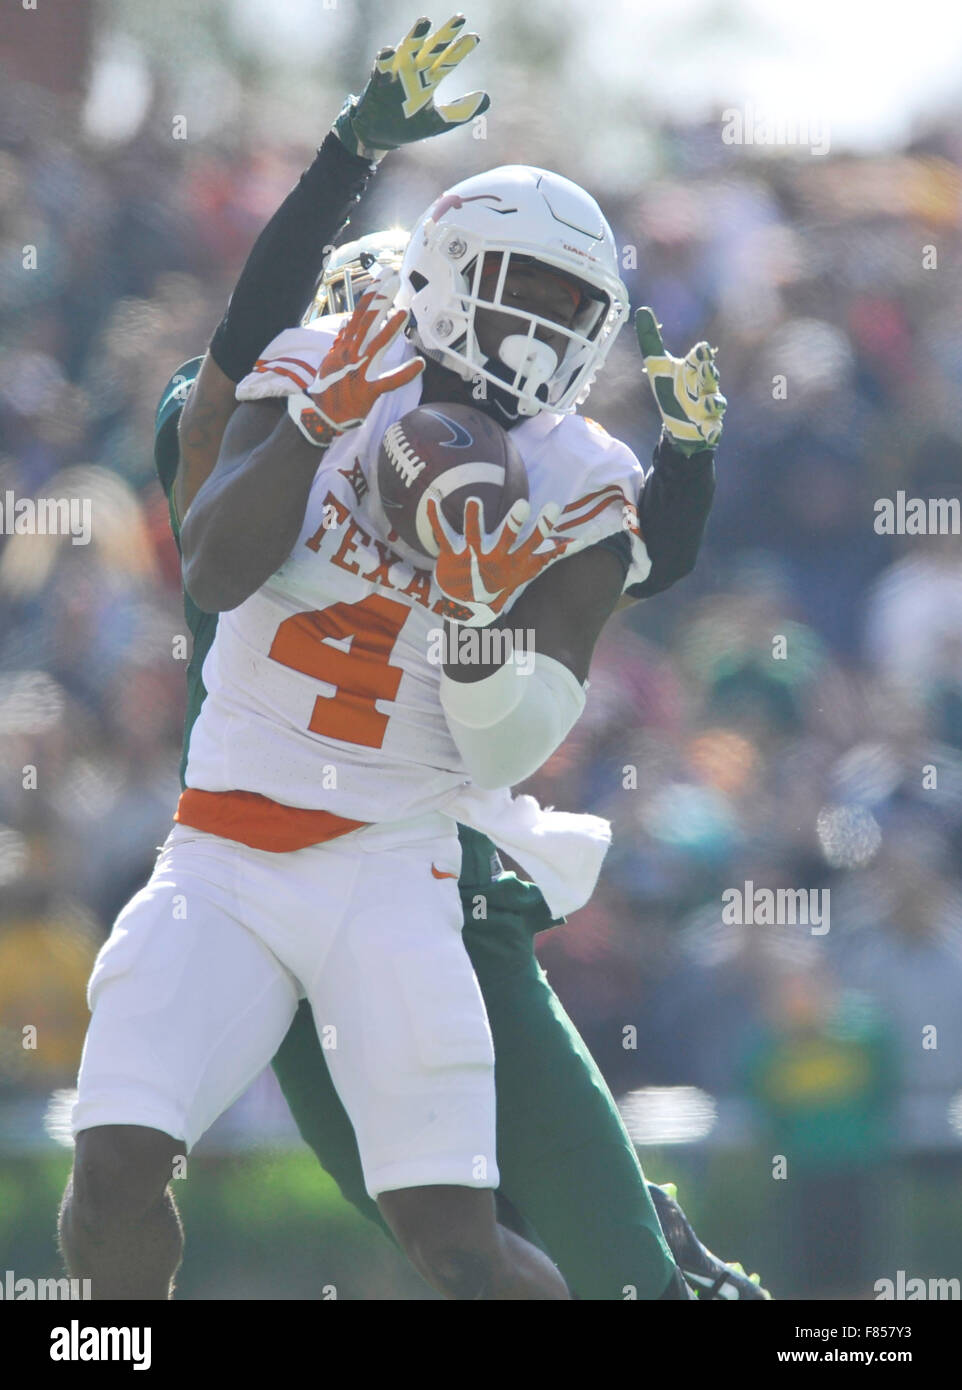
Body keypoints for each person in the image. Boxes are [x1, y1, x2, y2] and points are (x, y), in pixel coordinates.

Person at [61, 15, 760, 1301]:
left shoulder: (567, 473)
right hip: (224, 845)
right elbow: (214, 537)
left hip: (408, 866)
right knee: (112, 1159)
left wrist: (492, 593)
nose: (531, 335)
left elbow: (538, 695)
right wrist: (327, 387)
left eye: (565, 309)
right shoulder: (302, 379)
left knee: (459, 1237)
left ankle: (646, 1253)